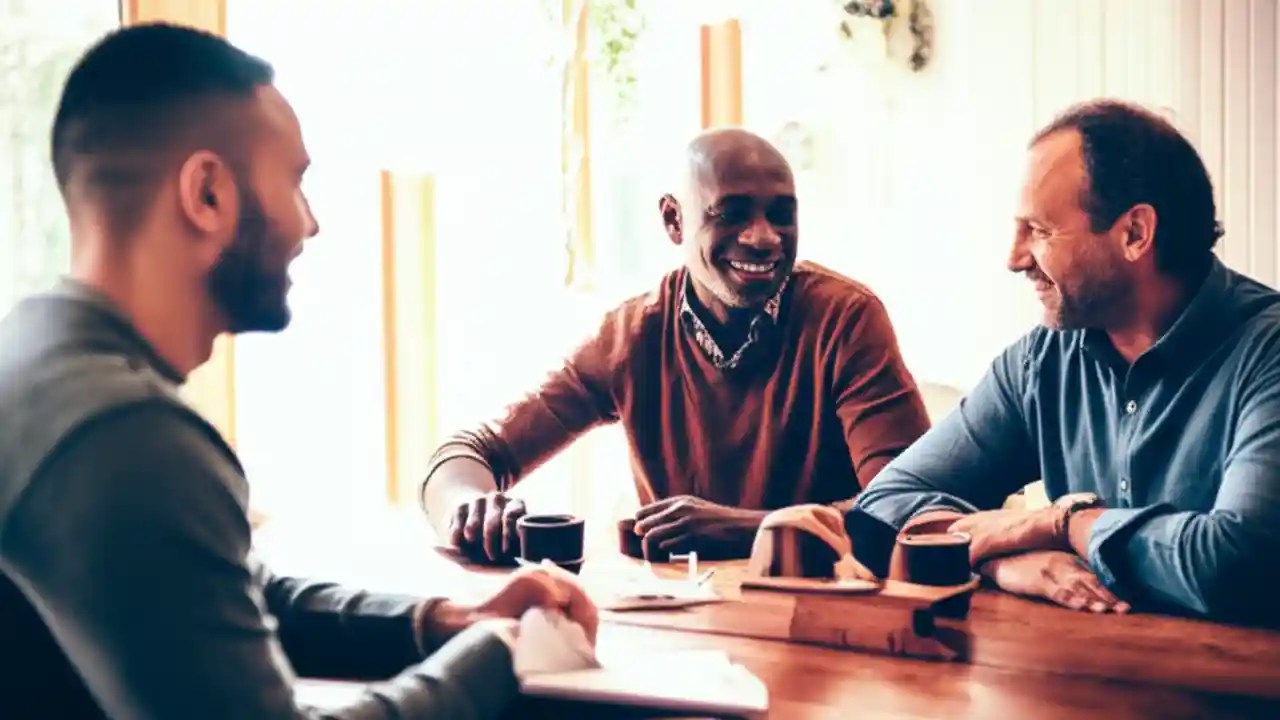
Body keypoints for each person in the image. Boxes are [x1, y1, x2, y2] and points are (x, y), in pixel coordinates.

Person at [0, 24, 597, 720]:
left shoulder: (38, 362)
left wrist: (447, 621)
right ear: (208, 194)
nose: (308, 224)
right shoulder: (126, 434)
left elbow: (237, 597)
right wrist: (499, 652)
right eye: (295, 182)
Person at [847, 99, 1280, 625]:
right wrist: (1006, 559)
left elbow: (1238, 564)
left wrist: (1066, 522)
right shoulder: (1041, 361)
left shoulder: (1266, 352)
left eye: (1040, 231)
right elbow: (885, 505)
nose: (1014, 257)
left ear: (1135, 233)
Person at [422, 128, 931, 564]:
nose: (764, 238)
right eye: (731, 215)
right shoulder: (630, 335)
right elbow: (472, 452)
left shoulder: (846, 320)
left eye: (781, 215)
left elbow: (908, 509)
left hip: (825, 624)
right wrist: (467, 505)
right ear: (673, 221)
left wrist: (748, 528)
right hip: (685, 629)